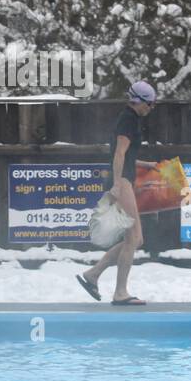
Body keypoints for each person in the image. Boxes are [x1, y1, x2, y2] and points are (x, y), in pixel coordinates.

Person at [76, 81, 157, 306]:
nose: (151, 108)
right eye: (150, 104)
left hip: (123, 179)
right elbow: (119, 154)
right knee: (132, 238)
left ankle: (93, 274)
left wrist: (146, 164)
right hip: (121, 182)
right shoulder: (128, 120)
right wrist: (118, 185)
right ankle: (120, 292)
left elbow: (125, 156)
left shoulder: (130, 119)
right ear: (140, 101)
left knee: (137, 239)